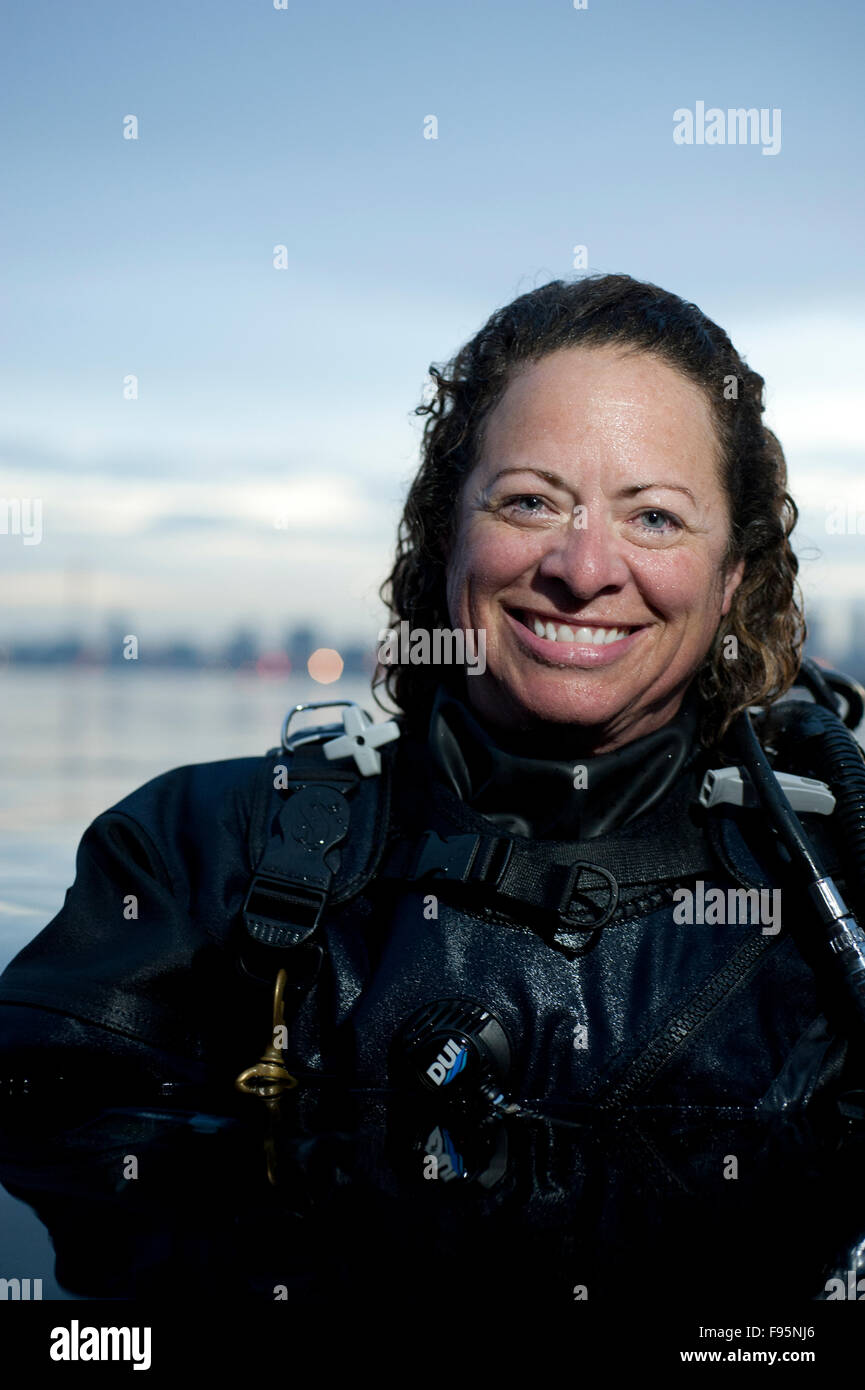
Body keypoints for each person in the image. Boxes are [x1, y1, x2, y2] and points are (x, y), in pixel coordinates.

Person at [1, 273, 864, 1116]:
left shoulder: (838, 884)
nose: (584, 569)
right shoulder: (196, 854)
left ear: (729, 580)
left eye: (654, 518)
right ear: (445, 532)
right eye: (529, 502)